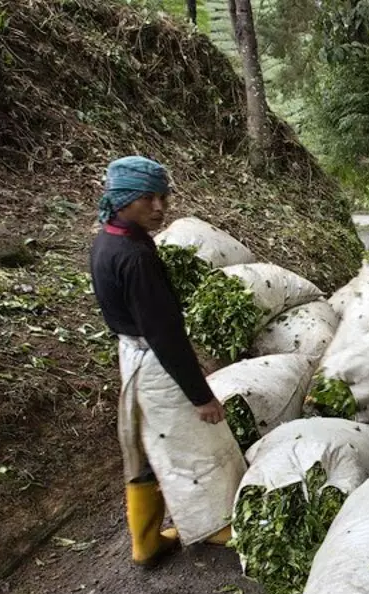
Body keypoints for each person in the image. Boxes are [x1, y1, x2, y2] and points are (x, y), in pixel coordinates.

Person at [89, 156, 245, 567]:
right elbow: (165, 334)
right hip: (154, 360)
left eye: (162, 196)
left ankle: (147, 542)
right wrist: (200, 395)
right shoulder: (135, 256)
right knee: (195, 444)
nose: (159, 207)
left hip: (132, 354)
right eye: (147, 198)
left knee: (143, 447)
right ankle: (216, 525)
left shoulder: (109, 238)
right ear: (123, 199)